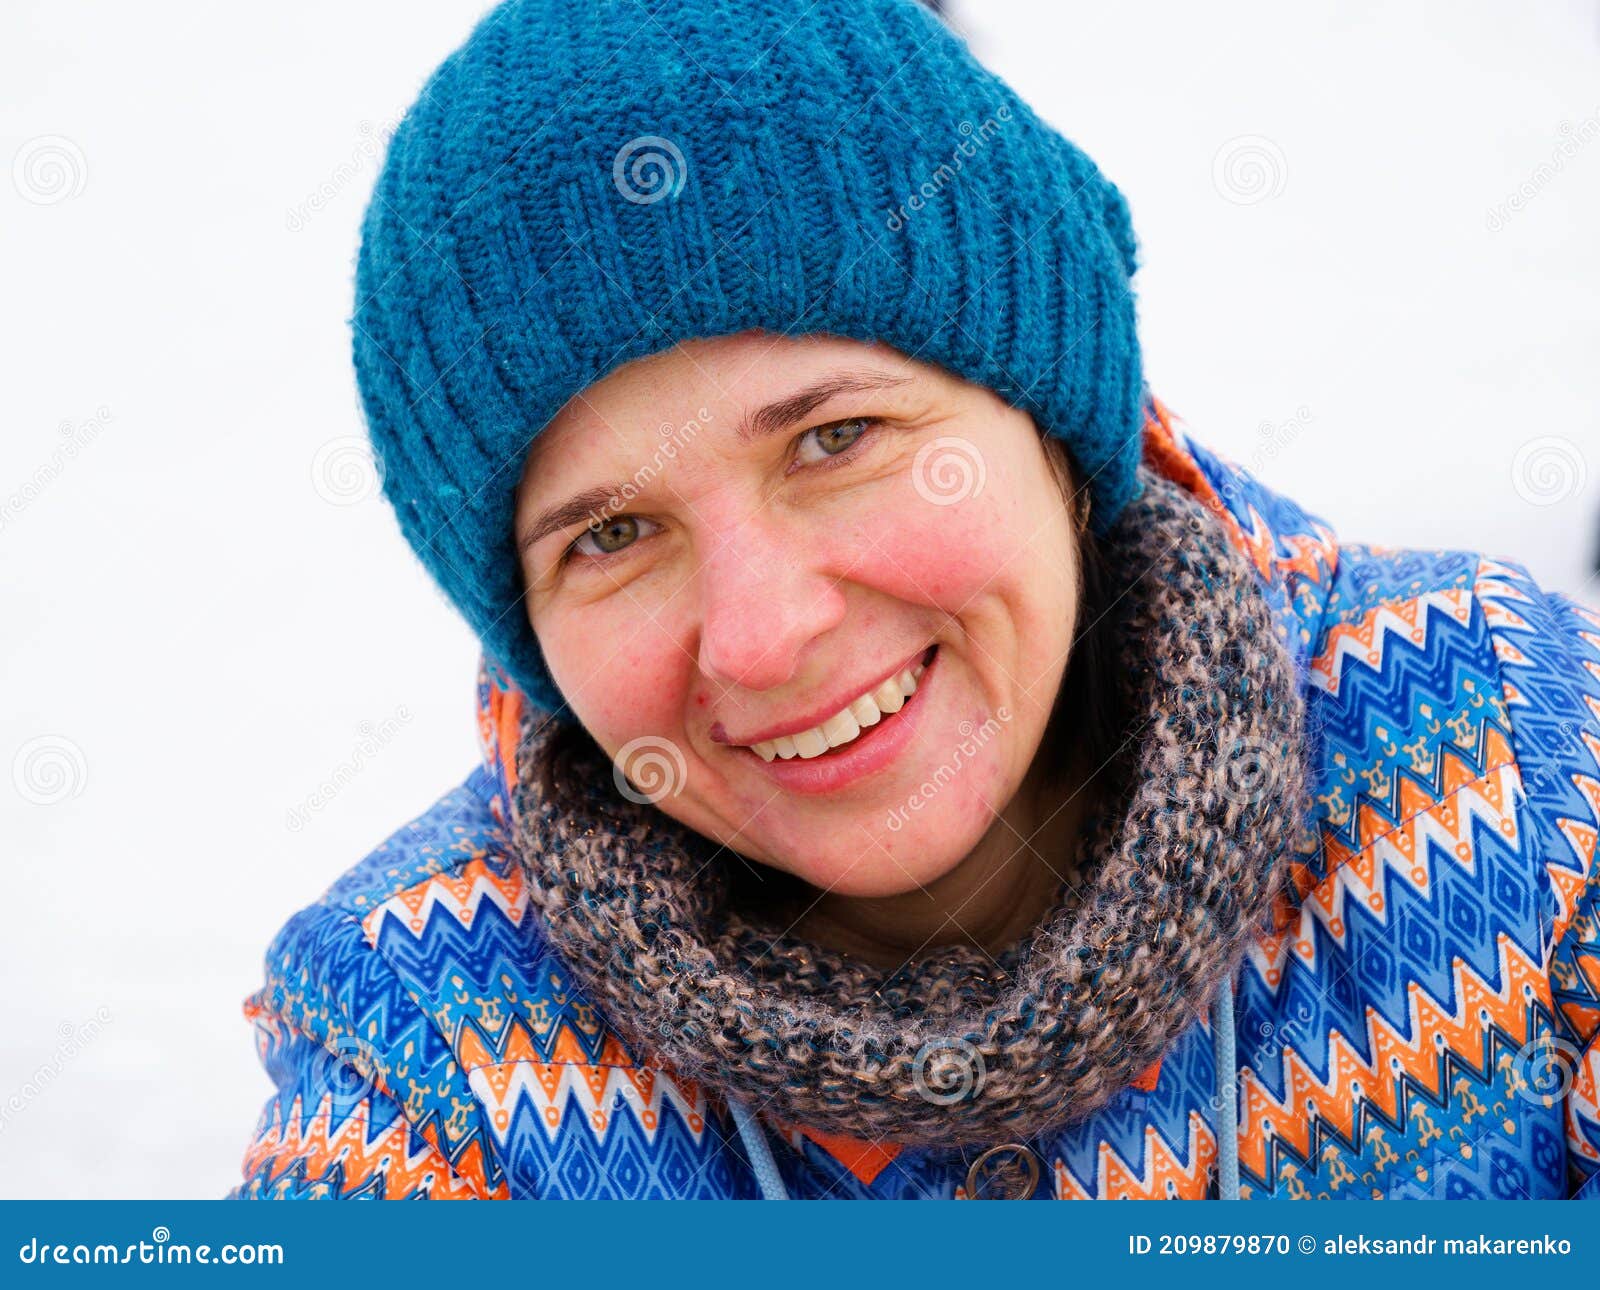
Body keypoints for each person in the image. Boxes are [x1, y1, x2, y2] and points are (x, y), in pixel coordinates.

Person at [227, 0, 1600, 1200]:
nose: (767, 635)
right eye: (616, 534)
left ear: (1054, 416)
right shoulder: (437, 1043)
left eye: (836, 440)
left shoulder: (1501, 750)